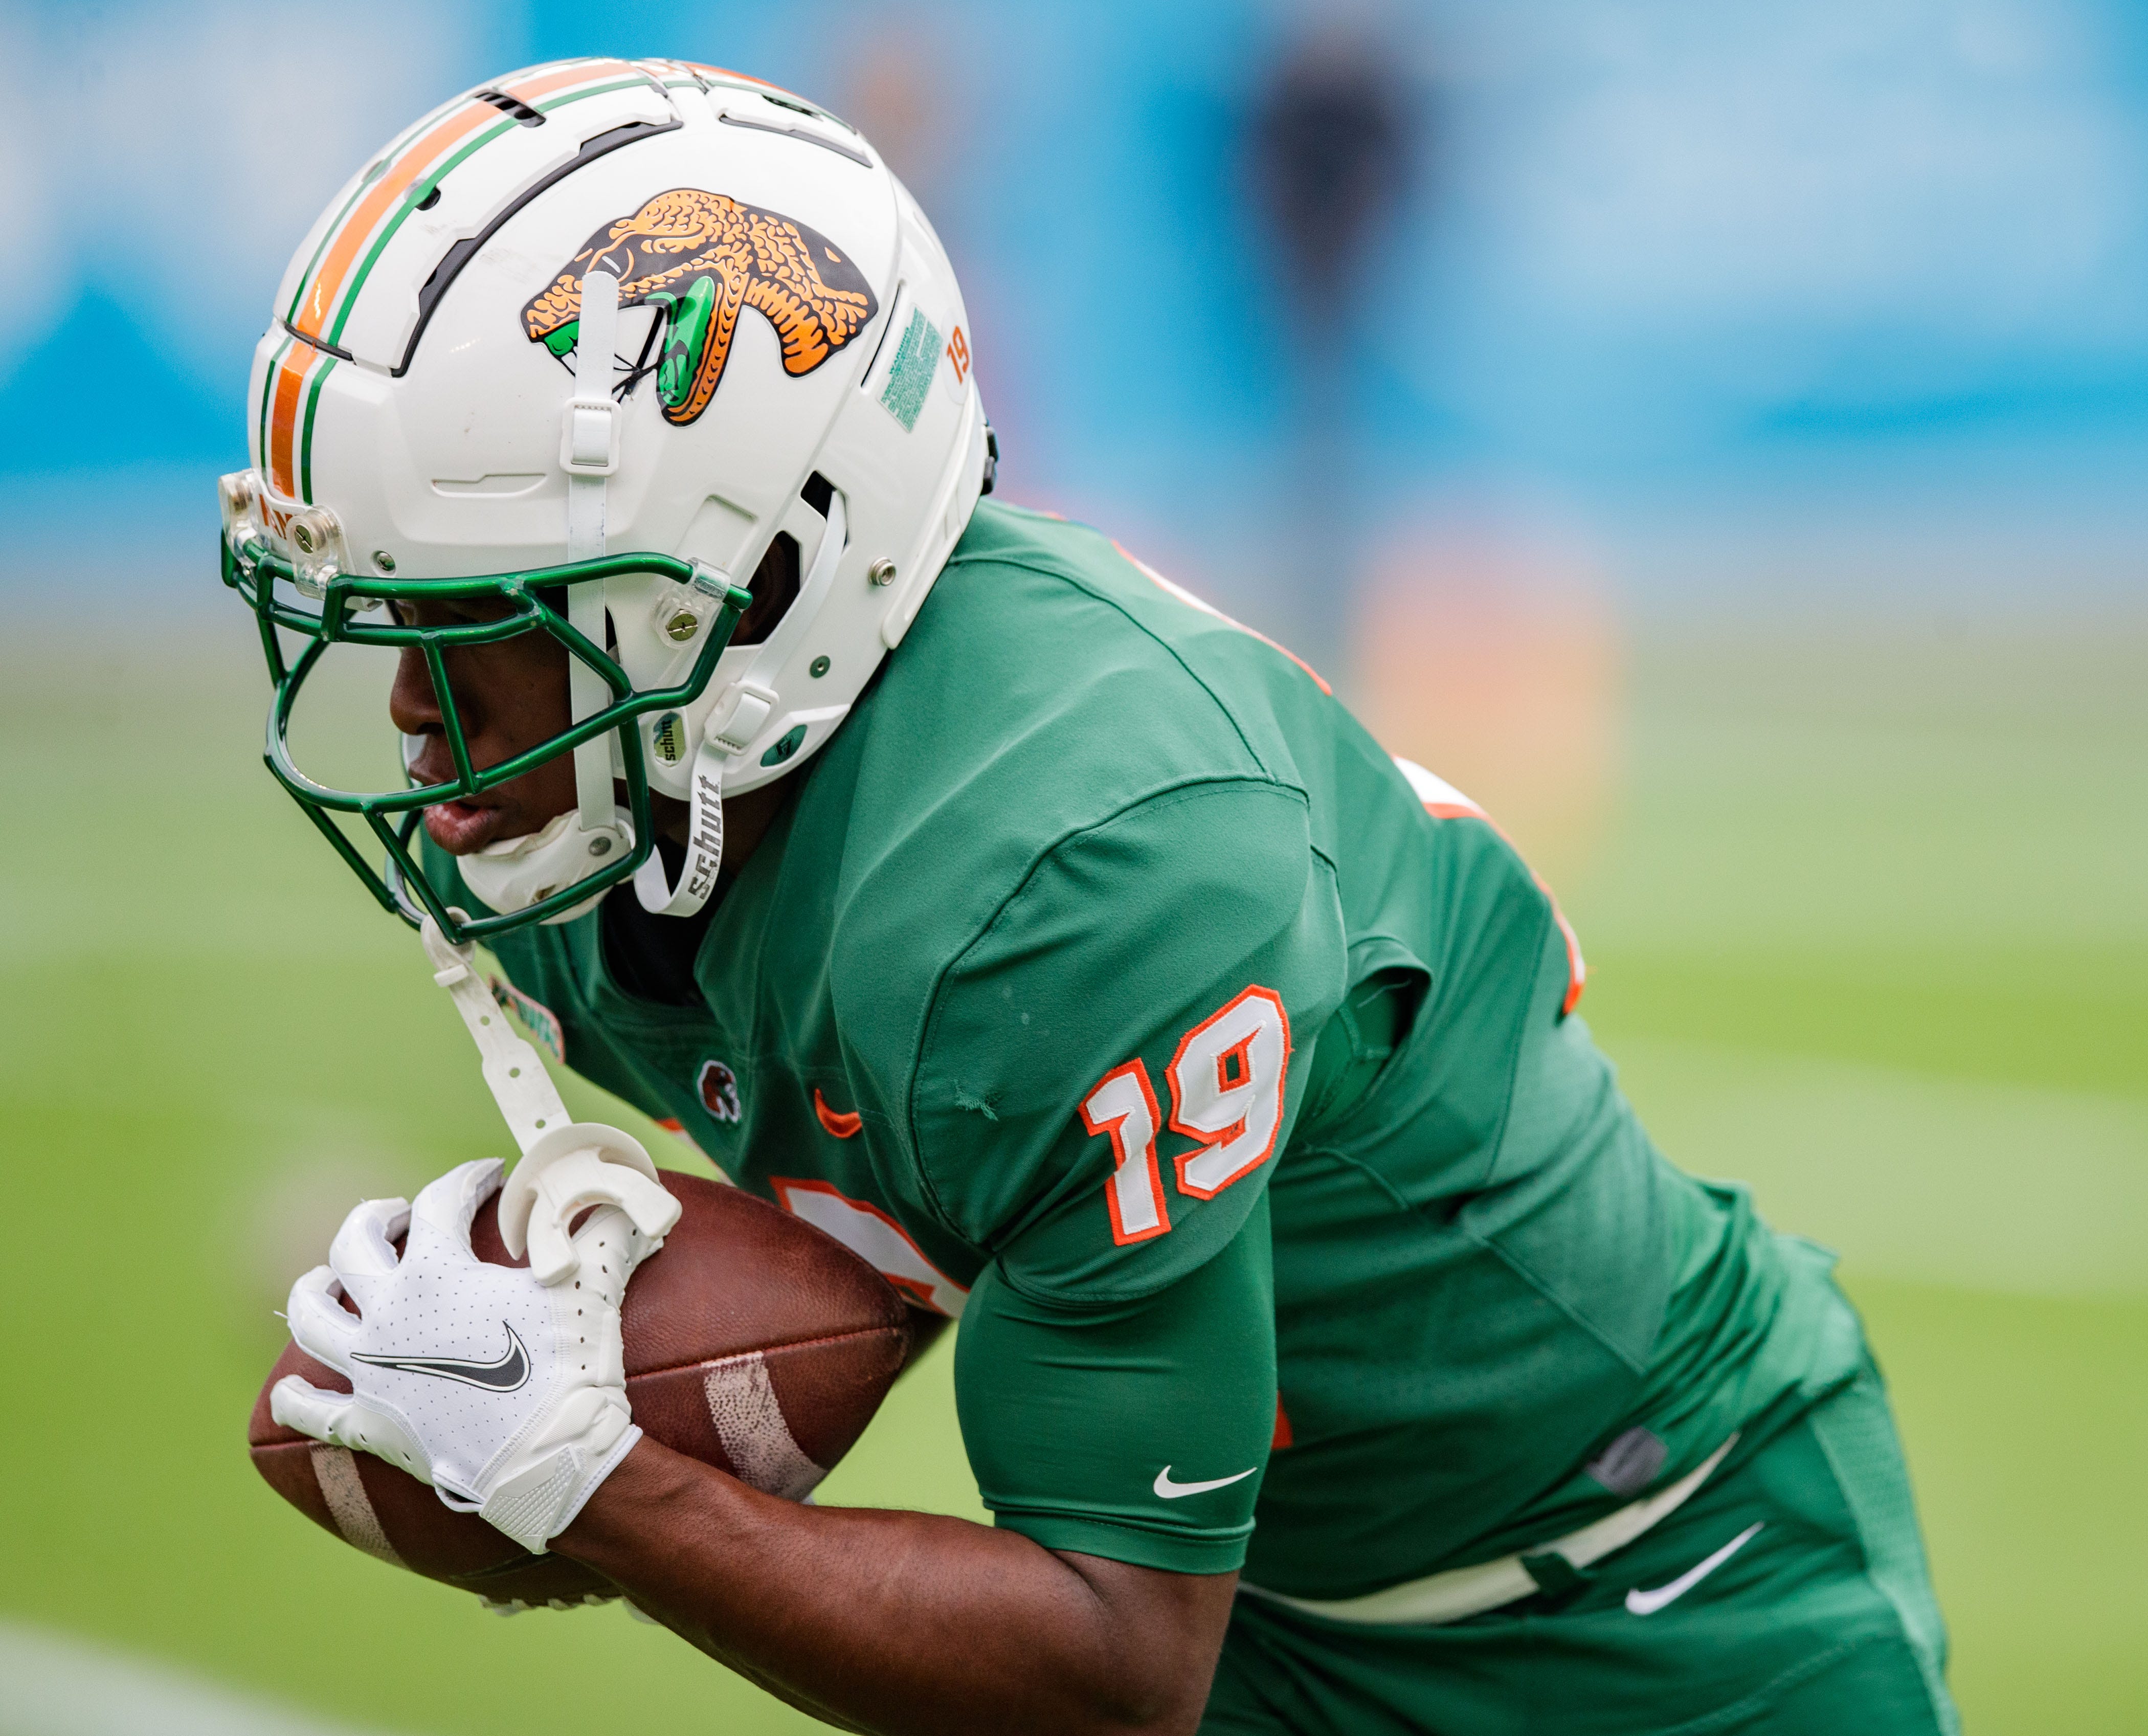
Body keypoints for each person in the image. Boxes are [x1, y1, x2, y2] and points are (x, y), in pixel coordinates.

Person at [228, 57, 1957, 1735]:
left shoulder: (1075, 871)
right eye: (390, 623)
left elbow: (1116, 1666)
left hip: (1656, 1592)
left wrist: (596, 1478)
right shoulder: (610, 807)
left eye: (482, 626)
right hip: (1268, 1612)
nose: (414, 722)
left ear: (751, 588)